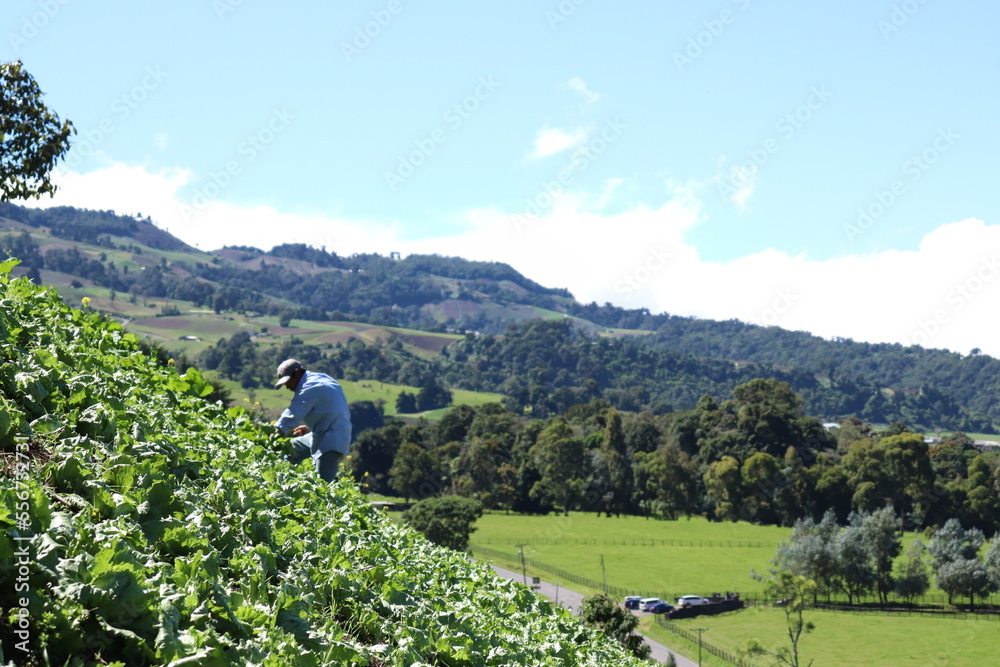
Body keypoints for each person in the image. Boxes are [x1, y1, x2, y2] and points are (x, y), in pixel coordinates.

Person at [272, 358, 352, 482]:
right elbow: (332, 408)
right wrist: (310, 427)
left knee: (323, 485)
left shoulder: (309, 388)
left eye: (288, 381)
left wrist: (276, 434)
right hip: (322, 432)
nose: (287, 386)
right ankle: (284, 479)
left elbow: (292, 413)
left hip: (331, 440)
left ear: (298, 372)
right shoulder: (320, 378)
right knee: (290, 448)